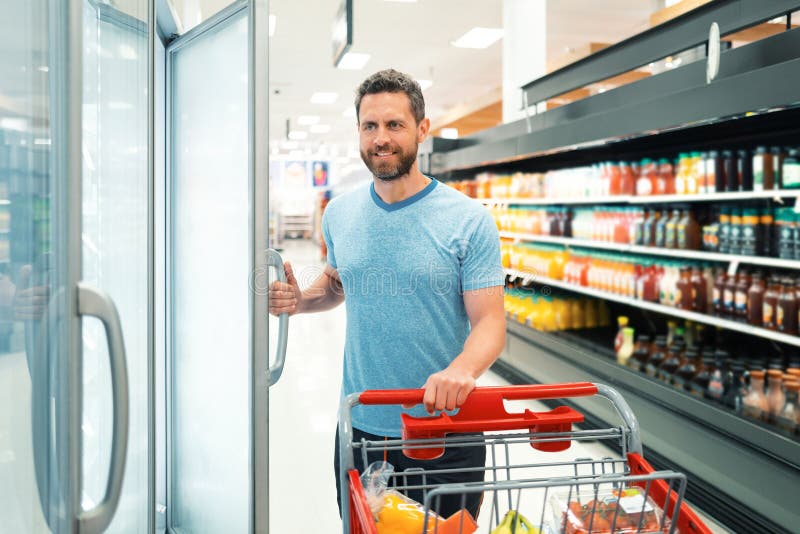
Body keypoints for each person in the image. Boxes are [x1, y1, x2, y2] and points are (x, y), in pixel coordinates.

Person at [268, 68, 506, 520]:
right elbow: (338, 285)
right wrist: (301, 301)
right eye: (369, 126)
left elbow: (490, 322)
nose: (381, 138)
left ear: (422, 129)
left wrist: (460, 371)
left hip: (443, 433)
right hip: (360, 426)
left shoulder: (469, 220)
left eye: (394, 124)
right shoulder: (339, 214)